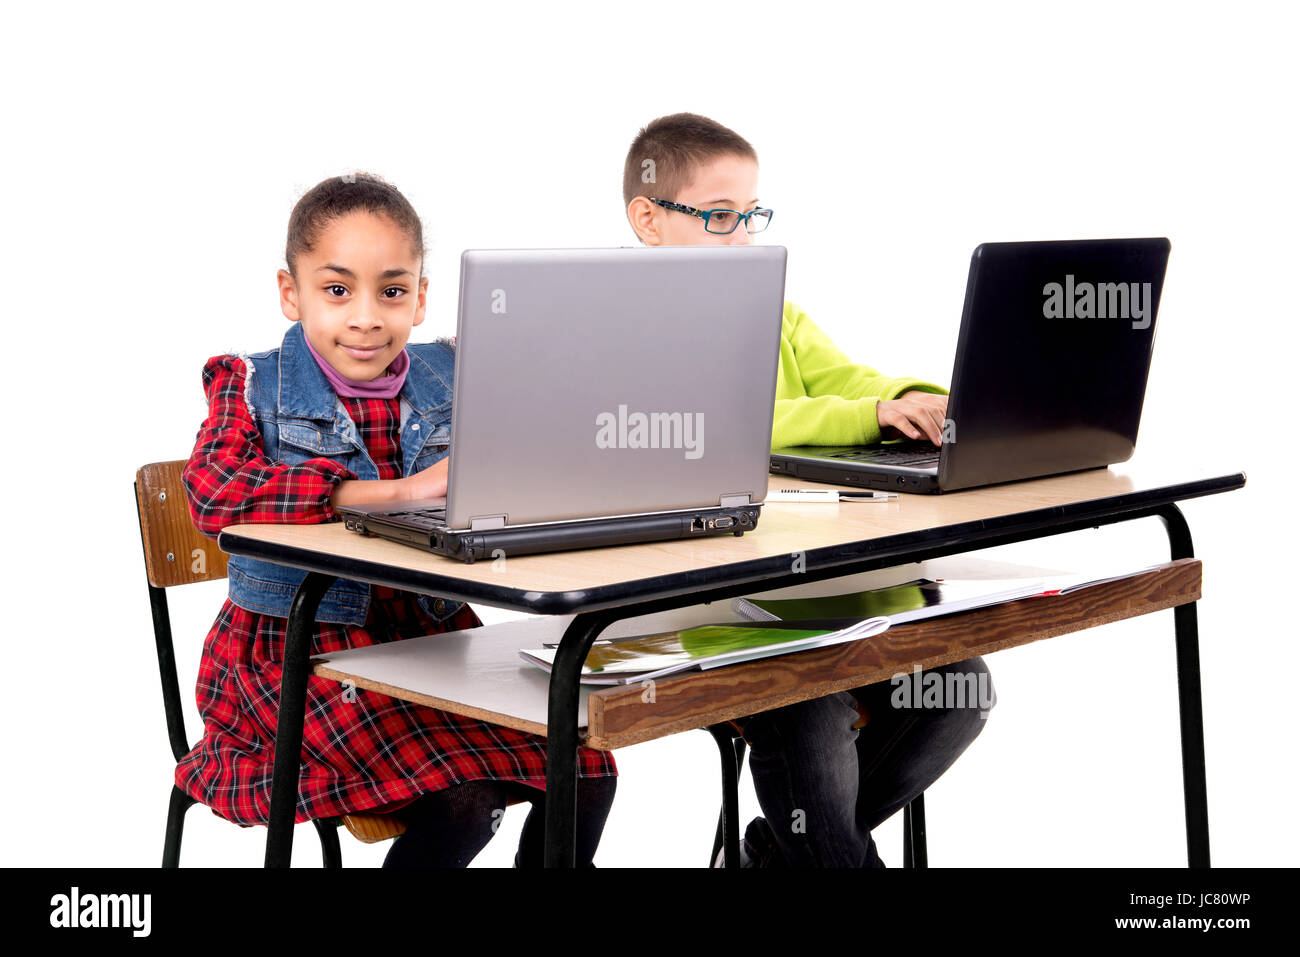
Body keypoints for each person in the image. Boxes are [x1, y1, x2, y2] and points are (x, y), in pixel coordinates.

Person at [177, 172, 615, 867]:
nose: (366, 316)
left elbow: (554, 427)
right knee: (466, 799)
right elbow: (211, 491)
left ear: (420, 296)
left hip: (431, 639)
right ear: (291, 293)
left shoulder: (451, 371)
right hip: (299, 658)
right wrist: (376, 493)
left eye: (391, 289)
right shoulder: (248, 381)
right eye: (336, 288)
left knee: (586, 763)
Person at [623, 114, 995, 867]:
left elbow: (851, 382)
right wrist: (869, 414)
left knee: (959, 688)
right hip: (718, 606)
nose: (744, 238)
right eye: (720, 218)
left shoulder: (779, 314)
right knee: (811, 712)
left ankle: (774, 856)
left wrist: (933, 399)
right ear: (650, 218)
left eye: (750, 217)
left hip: (826, 585)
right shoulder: (629, 322)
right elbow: (724, 423)